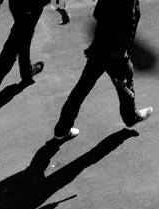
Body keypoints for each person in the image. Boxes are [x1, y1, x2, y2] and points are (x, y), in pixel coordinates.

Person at [54, 0, 152, 139]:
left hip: (100, 47)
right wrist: (123, 51)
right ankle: (131, 117)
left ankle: (62, 128)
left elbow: (99, 14)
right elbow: (129, 22)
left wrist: (96, 44)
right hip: (115, 52)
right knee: (125, 81)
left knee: (82, 87)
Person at [0, 0, 50, 106]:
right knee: (12, 50)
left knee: (23, 35)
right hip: (33, 9)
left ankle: (26, 70)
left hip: (17, 5)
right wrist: (62, 10)